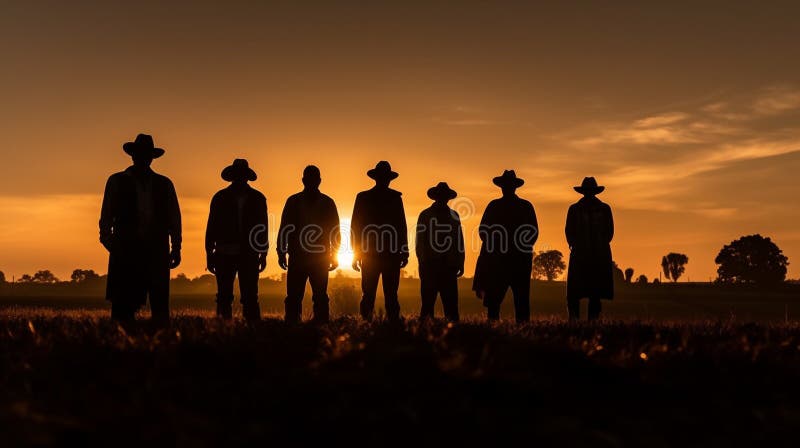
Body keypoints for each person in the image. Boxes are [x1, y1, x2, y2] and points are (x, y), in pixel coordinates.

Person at [99, 133, 181, 324]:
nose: (143, 158)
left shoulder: (164, 184)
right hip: (127, 250)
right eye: (140, 153)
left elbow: (174, 219)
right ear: (133, 156)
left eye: (146, 154)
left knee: (159, 306)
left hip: (156, 251)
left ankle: (159, 346)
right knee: (122, 308)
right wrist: (113, 245)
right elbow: (106, 217)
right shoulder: (117, 181)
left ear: (152, 157)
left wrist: (176, 247)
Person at [205, 159, 268, 321]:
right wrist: (209, 251)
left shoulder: (257, 198)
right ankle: (227, 329)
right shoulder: (221, 197)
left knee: (249, 296)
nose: (240, 178)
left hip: (247, 253)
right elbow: (212, 225)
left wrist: (263, 252)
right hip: (227, 252)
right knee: (226, 296)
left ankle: (249, 329)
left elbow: (263, 227)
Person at [472, 170, 538, 323]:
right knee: (517, 299)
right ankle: (522, 329)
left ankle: (494, 328)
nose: (506, 188)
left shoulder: (494, 206)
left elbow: (483, 231)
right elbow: (533, 232)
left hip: (500, 260)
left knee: (497, 300)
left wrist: (495, 247)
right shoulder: (525, 206)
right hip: (516, 260)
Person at [277, 165, 340, 323]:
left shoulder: (325, 202)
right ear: (304, 180)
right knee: (296, 296)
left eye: (313, 179)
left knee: (317, 296)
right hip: (302, 256)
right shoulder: (296, 201)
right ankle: (297, 327)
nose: (311, 181)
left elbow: (335, 231)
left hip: (317, 257)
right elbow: (285, 227)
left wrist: (335, 254)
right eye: (309, 178)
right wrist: (281, 251)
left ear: (318, 181)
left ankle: (317, 327)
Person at [351, 161, 409, 322]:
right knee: (389, 293)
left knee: (371, 292)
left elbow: (356, 226)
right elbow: (401, 226)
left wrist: (355, 253)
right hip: (388, 253)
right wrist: (404, 250)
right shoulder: (395, 198)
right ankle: (392, 322)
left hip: (372, 253)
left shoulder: (363, 197)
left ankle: (368, 321)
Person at [565, 177, 614, 321]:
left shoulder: (576, 209)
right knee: (583, 293)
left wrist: (575, 244)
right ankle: (579, 321)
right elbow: (609, 232)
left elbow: (609, 232)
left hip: (591, 255)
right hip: (591, 255)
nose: (588, 194)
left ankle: (582, 321)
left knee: (590, 293)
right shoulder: (602, 209)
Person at [416, 182, 464, 321]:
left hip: (447, 265)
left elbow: (458, 240)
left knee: (450, 305)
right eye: (441, 196)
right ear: (436, 197)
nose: (443, 198)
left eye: (444, 196)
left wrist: (460, 262)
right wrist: (423, 262)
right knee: (428, 304)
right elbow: (420, 241)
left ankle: (451, 333)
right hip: (431, 265)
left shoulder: (452, 216)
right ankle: (427, 331)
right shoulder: (425, 215)